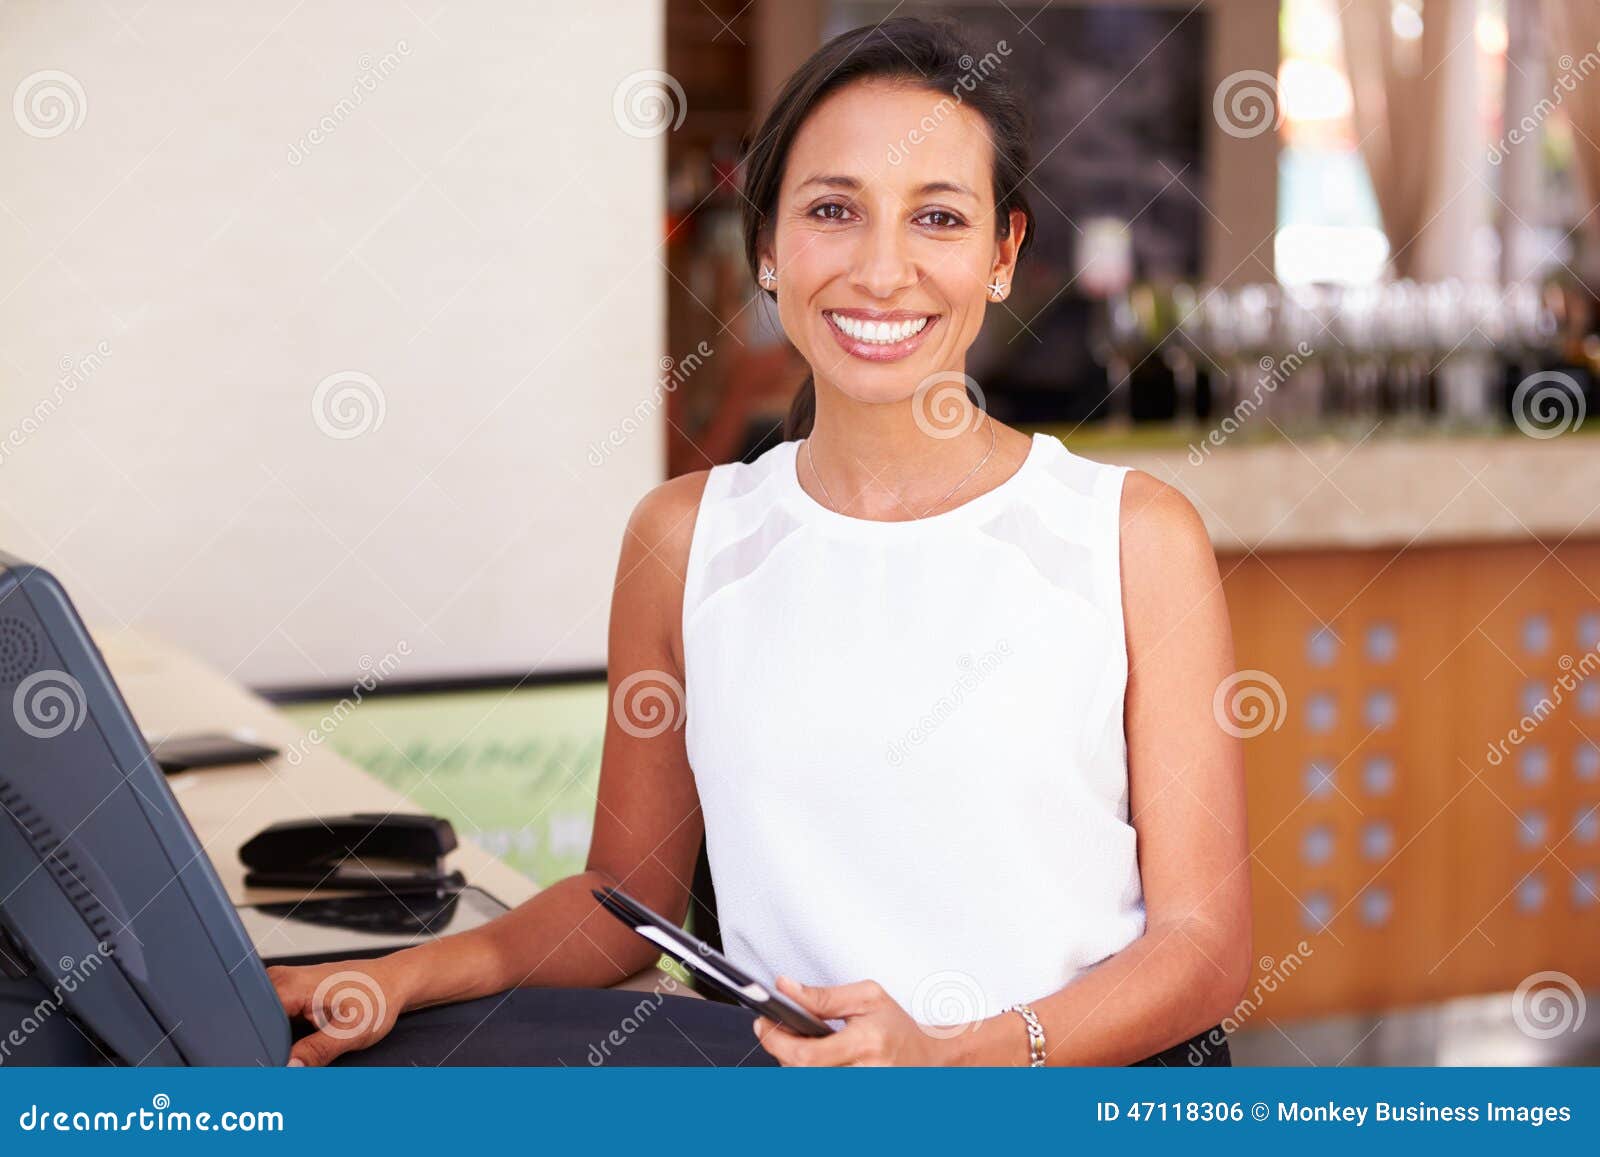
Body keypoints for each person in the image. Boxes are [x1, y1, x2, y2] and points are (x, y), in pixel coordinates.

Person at [269, 14, 1250, 1068]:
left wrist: (959, 1055)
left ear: (1001, 255)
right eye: (834, 210)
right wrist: (401, 974)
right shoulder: (683, 538)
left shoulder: (1129, 535)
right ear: (769, 250)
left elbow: (1204, 946)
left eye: (938, 218)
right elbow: (625, 904)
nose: (882, 270)